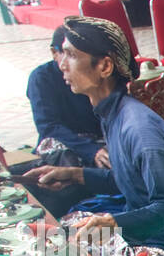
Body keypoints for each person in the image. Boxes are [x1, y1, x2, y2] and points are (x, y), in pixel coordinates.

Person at [22, 16, 164, 256]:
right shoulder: (113, 114)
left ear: (105, 66)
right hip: (144, 235)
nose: (61, 64)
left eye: (71, 55)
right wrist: (74, 175)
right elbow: (128, 179)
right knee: (66, 234)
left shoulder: (141, 130)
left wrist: (112, 222)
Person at [27, 26, 105, 166]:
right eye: (68, 54)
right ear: (54, 53)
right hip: (63, 141)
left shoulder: (91, 71)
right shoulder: (41, 78)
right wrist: (90, 150)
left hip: (97, 139)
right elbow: (48, 127)